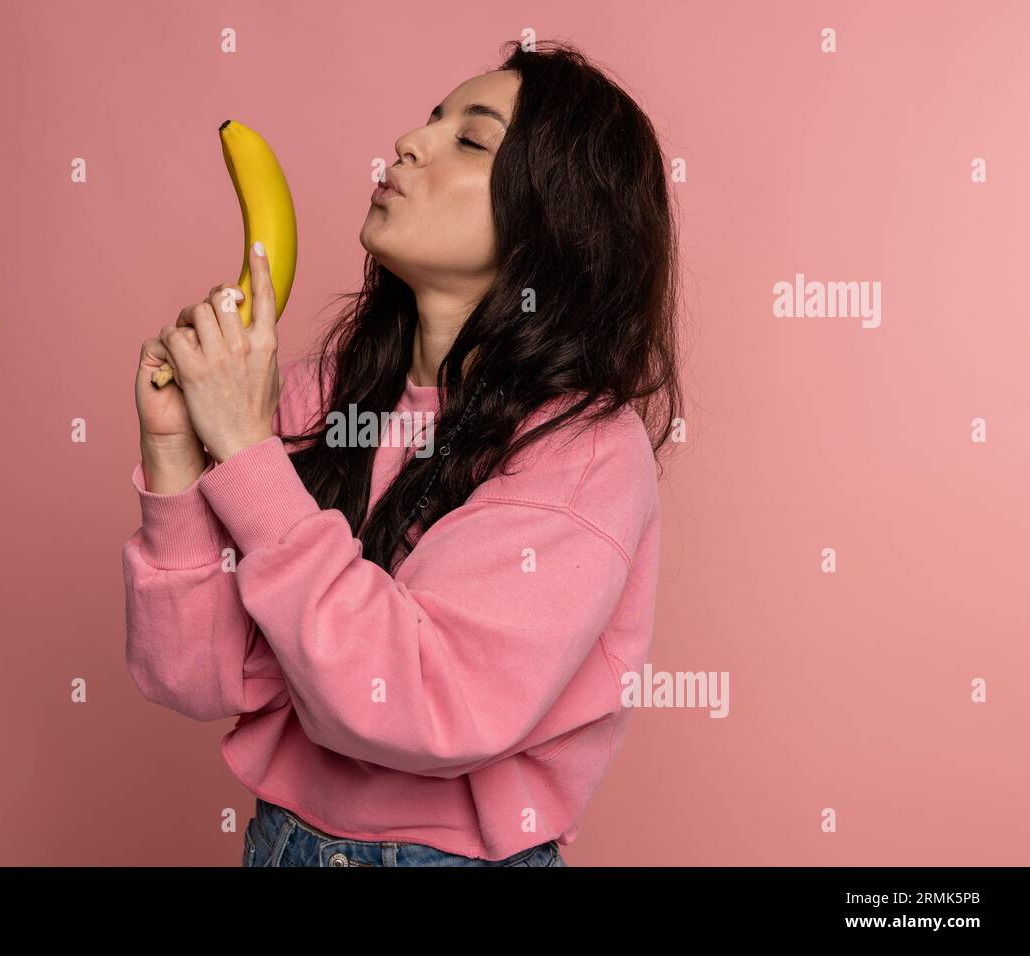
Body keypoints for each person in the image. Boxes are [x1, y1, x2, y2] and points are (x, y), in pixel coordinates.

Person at [124, 38, 683, 867]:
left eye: (471, 138)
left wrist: (244, 452)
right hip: (282, 843)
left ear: (553, 218)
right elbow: (198, 680)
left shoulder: (584, 450)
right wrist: (175, 454)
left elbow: (423, 706)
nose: (409, 144)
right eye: (430, 119)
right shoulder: (320, 400)